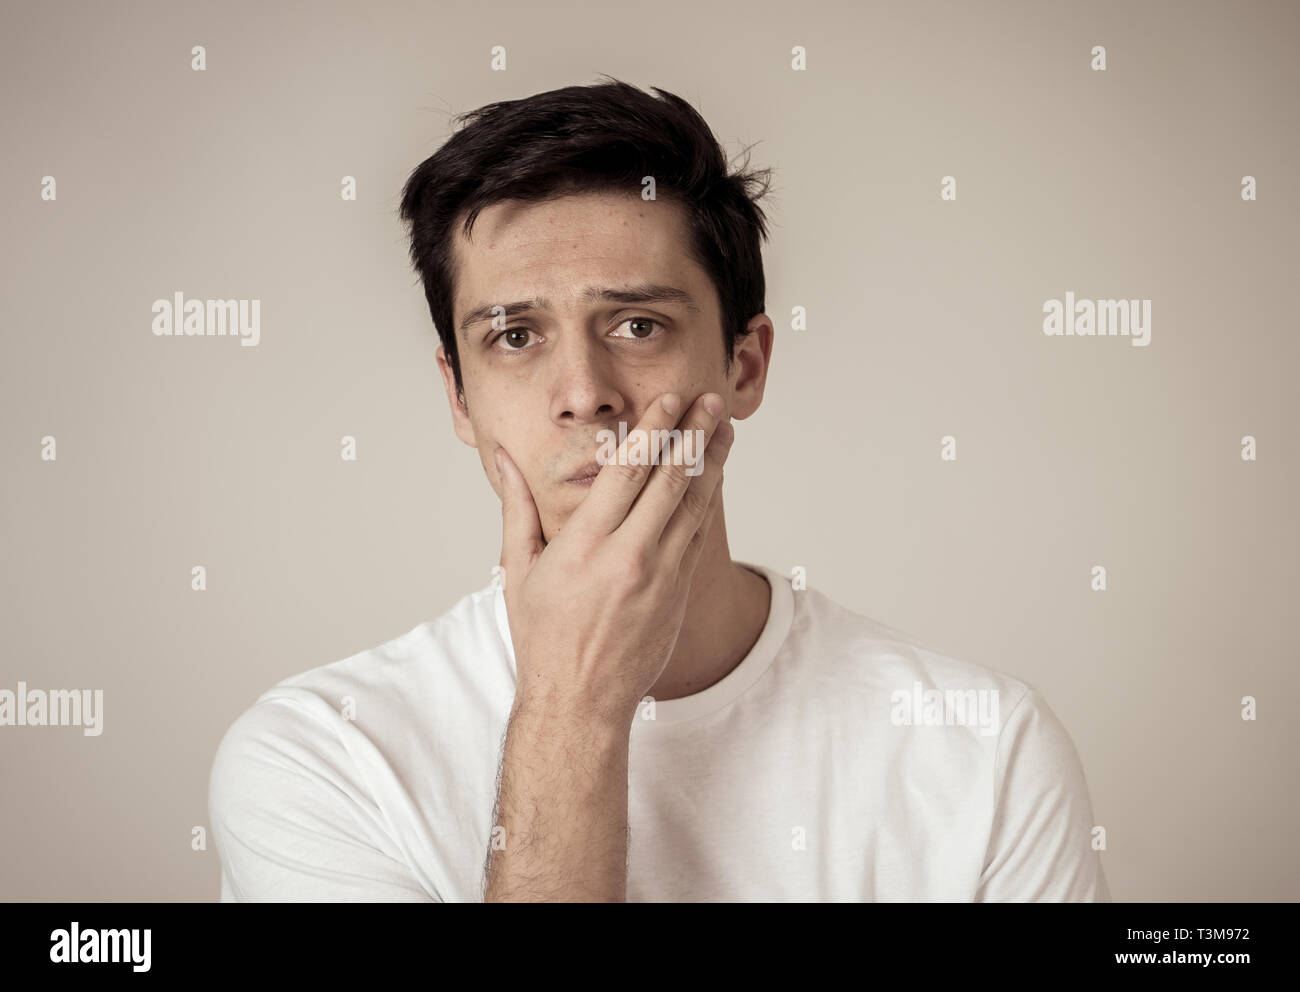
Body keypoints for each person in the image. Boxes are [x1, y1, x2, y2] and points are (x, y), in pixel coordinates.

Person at [208, 77, 1110, 902]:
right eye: (515, 336)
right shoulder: (320, 758)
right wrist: (574, 705)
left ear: (745, 366)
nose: (583, 393)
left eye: (637, 325)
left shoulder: (986, 751)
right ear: (459, 399)